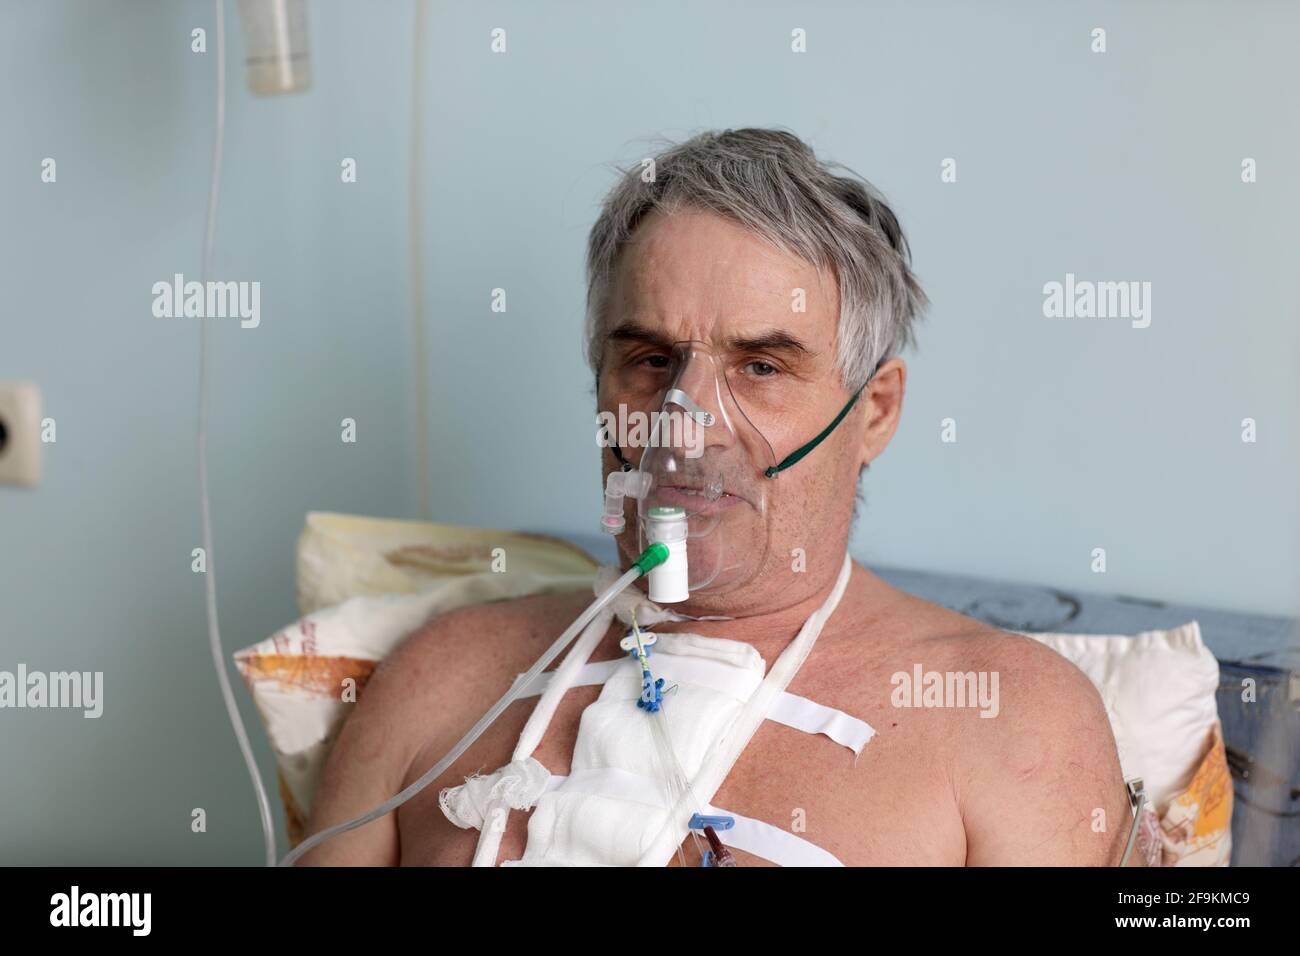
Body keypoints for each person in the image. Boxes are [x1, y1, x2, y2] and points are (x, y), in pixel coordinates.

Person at [299, 128, 1137, 866]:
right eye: (651, 361)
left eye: (761, 368)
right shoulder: (441, 679)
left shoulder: (1007, 721)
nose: (685, 429)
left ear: (873, 411)